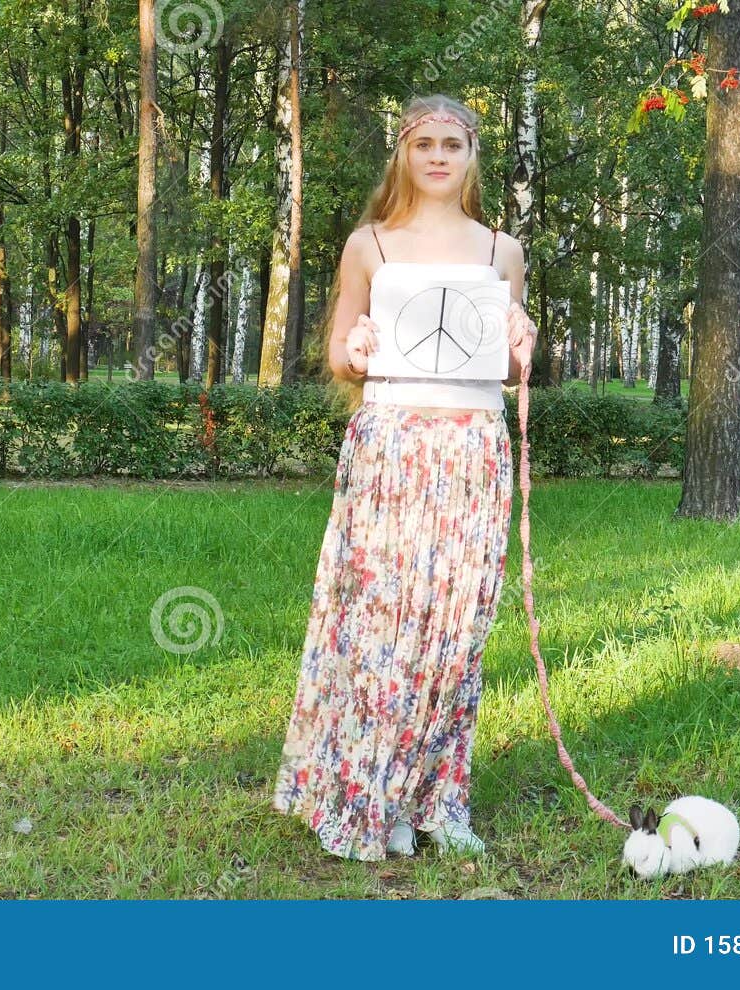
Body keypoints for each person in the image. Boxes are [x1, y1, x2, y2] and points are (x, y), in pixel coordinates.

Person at [270, 94, 537, 861]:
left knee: (456, 627)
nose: (439, 158)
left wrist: (526, 339)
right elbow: (338, 354)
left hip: (472, 449)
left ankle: (438, 797)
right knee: (384, 622)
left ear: (472, 155)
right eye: (424, 144)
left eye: (453, 144)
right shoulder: (370, 246)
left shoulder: (501, 252)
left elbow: (508, 353)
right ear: (403, 155)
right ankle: (373, 792)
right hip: (392, 446)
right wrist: (352, 348)